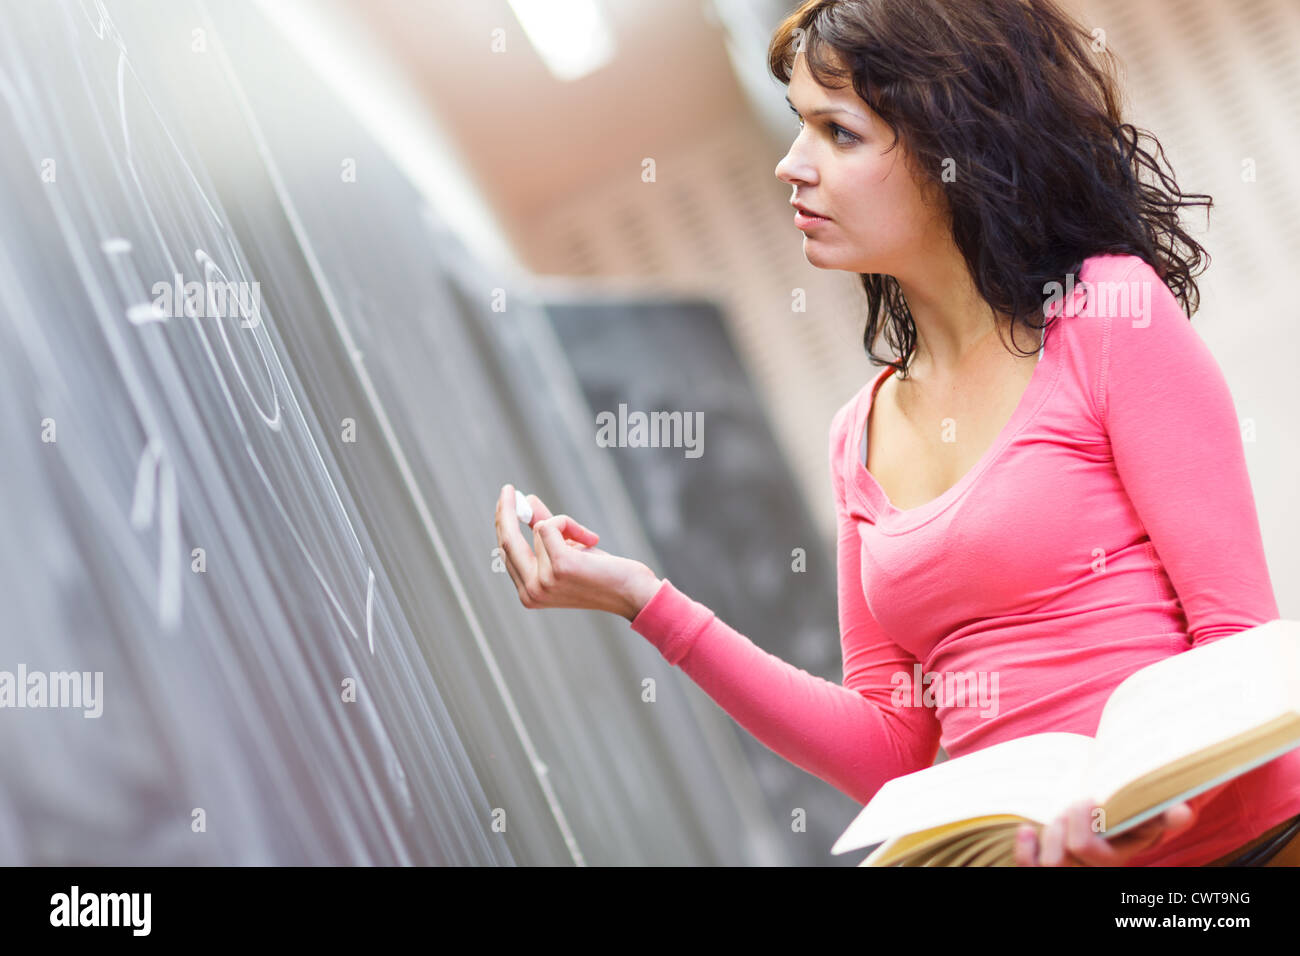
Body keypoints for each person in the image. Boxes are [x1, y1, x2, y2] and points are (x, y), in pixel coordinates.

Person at [492, 0, 1300, 866]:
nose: (790, 166)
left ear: (953, 148)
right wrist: (644, 600)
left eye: (837, 133)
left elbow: (1238, 647)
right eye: (801, 127)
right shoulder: (859, 437)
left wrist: (1136, 798)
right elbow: (887, 749)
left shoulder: (1108, 313)